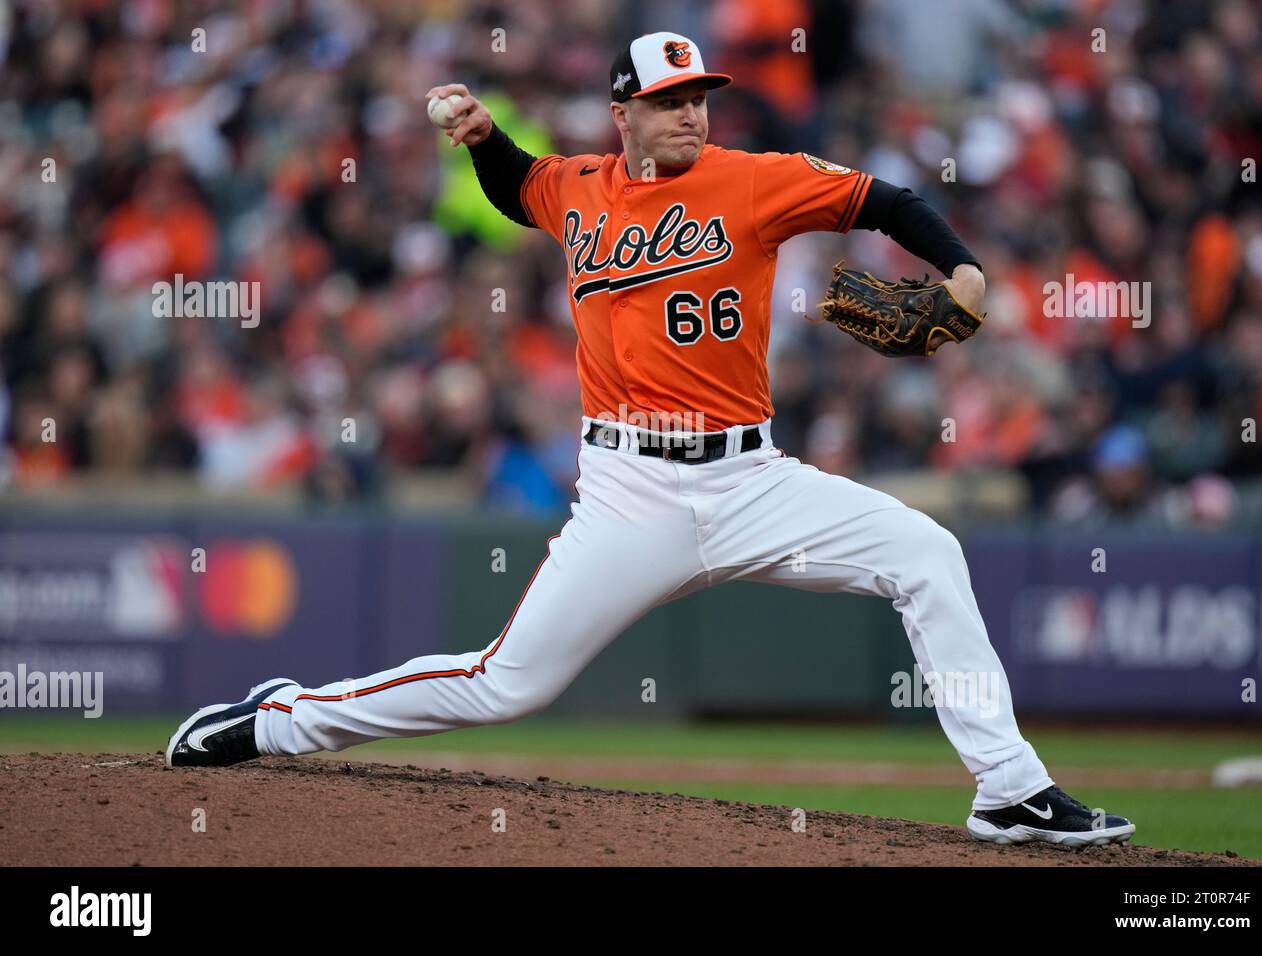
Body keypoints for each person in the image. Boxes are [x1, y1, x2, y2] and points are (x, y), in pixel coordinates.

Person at [167, 31, 1134, 849]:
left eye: (700, 97)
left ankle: (1008, 786)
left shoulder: (753, 181)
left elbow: (883, 200)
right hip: (631, 494)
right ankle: (280, 721)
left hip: (755, 481)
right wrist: (481, 137)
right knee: (505, 687)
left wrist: (959, 266)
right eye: (670, 101)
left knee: (927, 552)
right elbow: (517, 188)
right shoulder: (579, 187)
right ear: (622, 111)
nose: (691, 115)